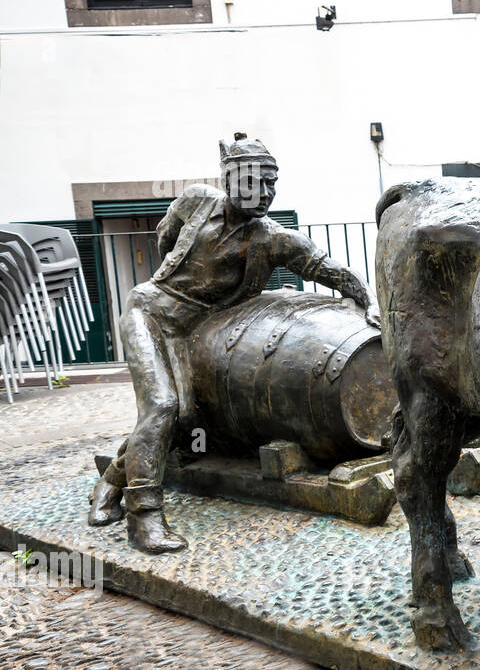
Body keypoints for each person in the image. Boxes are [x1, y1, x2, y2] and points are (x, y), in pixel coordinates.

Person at [88, 133, 377, 553]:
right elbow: (166, 236)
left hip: (198, 330)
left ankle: (110, 484)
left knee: (185, 418)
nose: (263, 193)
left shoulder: (272, 237)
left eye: (271, 184)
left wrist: (368, 301)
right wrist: (172, 282)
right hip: (151, 311)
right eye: (252, 182)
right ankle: (144, 518)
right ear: (228, 178)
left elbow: (326, 268)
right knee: (164, 406)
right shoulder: (195, 200)